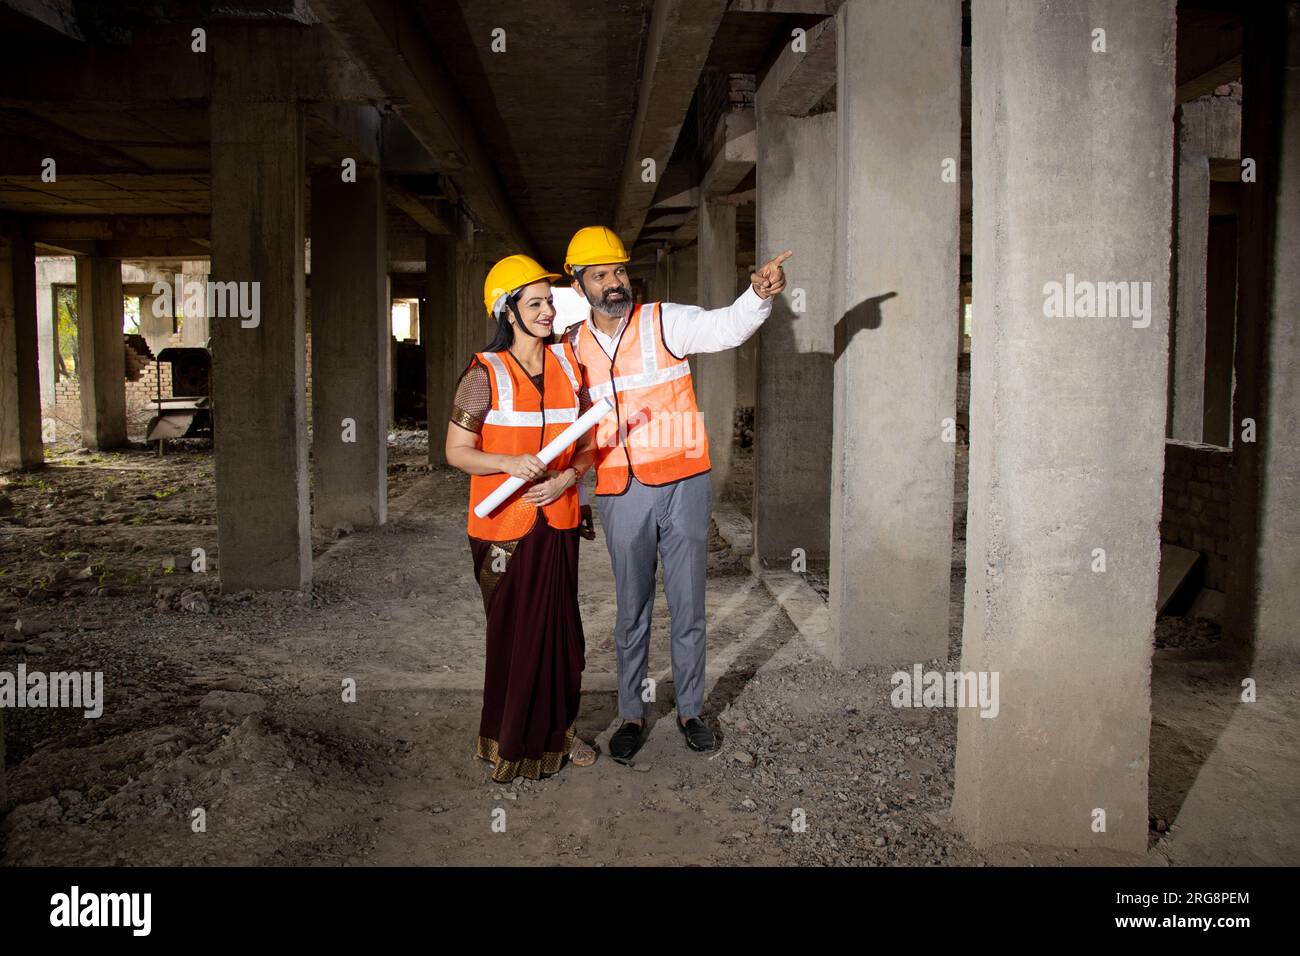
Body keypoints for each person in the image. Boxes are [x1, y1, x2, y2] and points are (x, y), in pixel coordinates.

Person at [561, 226, 791, 761]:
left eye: (618, 271)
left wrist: (757, 294)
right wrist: (573, 486)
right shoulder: (571, 348)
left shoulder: (663, 320)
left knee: (687, 606)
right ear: (580, 287)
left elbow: (726, 328)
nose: (615, 283)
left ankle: (691, 710)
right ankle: (633, 713)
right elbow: (573, 426)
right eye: (600, 276)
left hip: (683, 483)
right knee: (631, 611)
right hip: (621, 491)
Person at [444, 253, 598, 782]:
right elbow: (457, 451)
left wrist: (568, 477)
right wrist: (507, 462)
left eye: (549, 302)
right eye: (535, 303)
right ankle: (507, 742)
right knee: (514, 635)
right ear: (508, 311)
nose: (547, 311)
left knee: (562, 636)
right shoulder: (482, 374)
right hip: (501, 529)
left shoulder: (569, 366)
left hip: (557, 519)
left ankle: (561, 734)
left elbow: (588, 445)